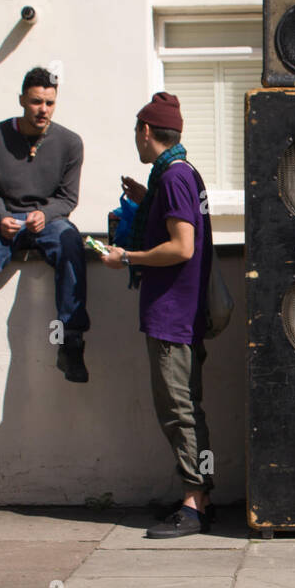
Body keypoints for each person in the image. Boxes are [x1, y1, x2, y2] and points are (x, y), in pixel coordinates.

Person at [102, 92, 214, 538]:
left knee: (177, 409)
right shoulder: (182, 174)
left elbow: (181, 246)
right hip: (185, 311)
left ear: (146, 131)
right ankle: (200, 493)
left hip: (173, 313)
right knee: (188, 406)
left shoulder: (173, 177)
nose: (135, 137)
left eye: (136, 130)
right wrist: (146, 197)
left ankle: (194, 503)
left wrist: (126, 257)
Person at [0, 67, 89, 388]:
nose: (43, 110)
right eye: (36, 102)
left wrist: (46, 213)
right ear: (22, 101)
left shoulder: (70, 143)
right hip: (6, 219)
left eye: (50, 103)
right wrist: (0, 216)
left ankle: (67, 342)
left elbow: (68, 198)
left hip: (48, 220)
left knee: (71, 243)